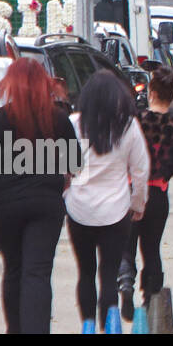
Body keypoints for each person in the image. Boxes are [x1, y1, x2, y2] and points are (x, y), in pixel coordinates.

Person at [0, 58, 81, 333]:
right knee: (37, 272)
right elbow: (74, 163)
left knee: (13, 269)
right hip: (46, 205)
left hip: (7, 206)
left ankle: (15, 329)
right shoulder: (58, 119)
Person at [65, 71, 149, 332]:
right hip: (115, 210)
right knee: (109, 274)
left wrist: (66, 194)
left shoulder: (74, 124)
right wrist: (138, 203)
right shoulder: (128, 126)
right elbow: (141, 171)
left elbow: (63, 167)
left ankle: (88, 326)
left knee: (86, 272)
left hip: (79, 208)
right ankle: (108, 327)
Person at [116, 67, 173, 320]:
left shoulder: (136, 120)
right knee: (152, 247)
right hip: (158, 192)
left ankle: (125, 283)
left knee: (127, 245)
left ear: (152, 92)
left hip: (131, 189)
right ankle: (150, 300)